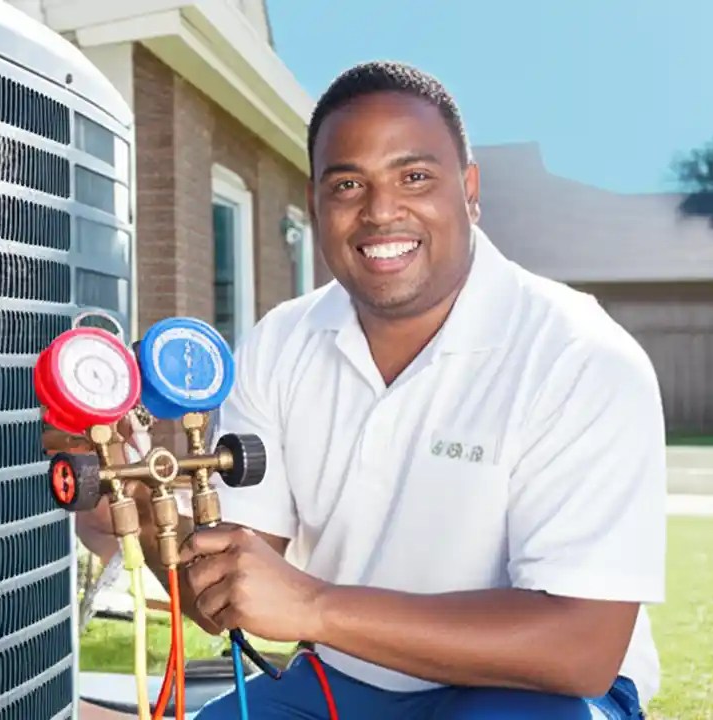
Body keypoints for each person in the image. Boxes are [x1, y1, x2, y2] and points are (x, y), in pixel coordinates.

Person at [62, 61, 666, 719]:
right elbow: (227, 594)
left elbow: (580, 648)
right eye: (347, 184)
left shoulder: (579, 355)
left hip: (537, 694)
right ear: (317, 202)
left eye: (414, 177)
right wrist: (137, 506)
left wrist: (313, 606)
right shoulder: (282, 342)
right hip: (346, 678)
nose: (380, 211)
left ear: (469, 189)